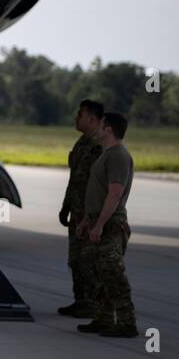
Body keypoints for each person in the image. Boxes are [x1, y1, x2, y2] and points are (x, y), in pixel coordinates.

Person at [75, 112, 138, 337]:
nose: (97, 130)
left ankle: (127, 322)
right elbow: (99, 192)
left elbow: (115, 193)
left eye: (100, 126)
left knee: (114, 275)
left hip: (111, 224)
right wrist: (86, 221)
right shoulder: (107, 154)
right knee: (99, 275)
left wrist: (100, 224)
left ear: (108, 129)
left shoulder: (119, 155)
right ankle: (103, 319)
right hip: (98, 221)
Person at [58, 99, 104, 317]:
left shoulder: (100, 145)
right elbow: (74, 178)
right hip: (76, 211)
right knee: (75, 258)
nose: (76, 118)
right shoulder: (82, 143)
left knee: (88, 259)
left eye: (80, 115)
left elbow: (103, 184)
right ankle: (81, 300)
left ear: (93, 119)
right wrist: (65, 206)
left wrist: (94, 214)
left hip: (90, 212)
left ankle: (93, 304)